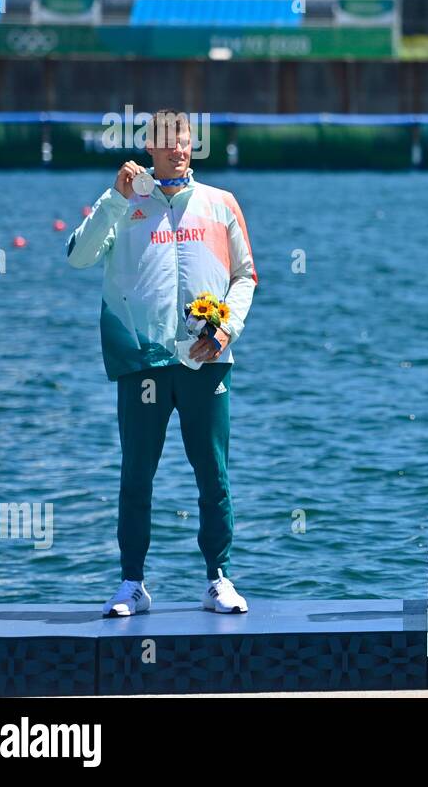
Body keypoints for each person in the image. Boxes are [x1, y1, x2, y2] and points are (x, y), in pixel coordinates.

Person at [67, 109, 257, 616]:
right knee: (136, 476)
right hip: (141, 363)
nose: (178, 149)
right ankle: (132, 583)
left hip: (206, 361)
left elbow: (245, 277)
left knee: (213, 475)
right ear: (148, 148)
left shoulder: (221, 204)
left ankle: (218, 578)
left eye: (186, 141)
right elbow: (79, 257)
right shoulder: (124, 204)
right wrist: (112, 199)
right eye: (168, 141)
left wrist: (225, 330)